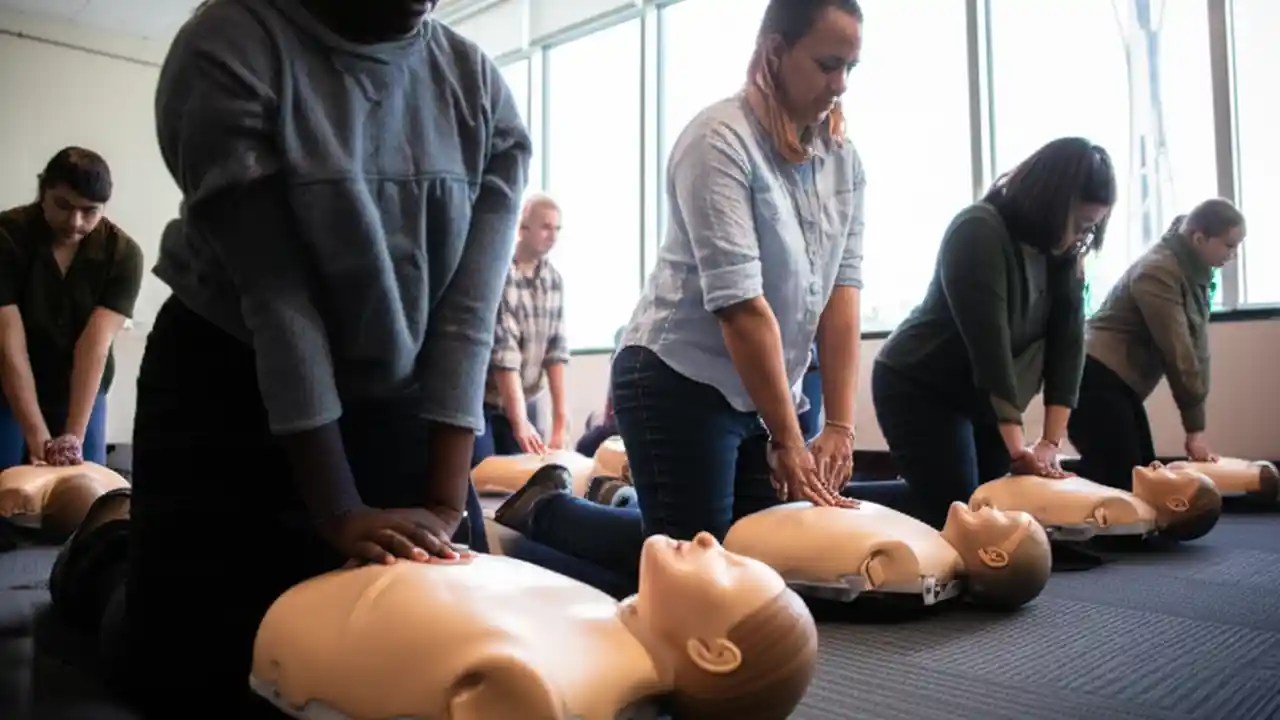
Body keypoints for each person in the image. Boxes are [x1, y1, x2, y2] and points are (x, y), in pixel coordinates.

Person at [123, 0, 532, 715]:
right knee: (197, 666)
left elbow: (468, 315)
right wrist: (338, 507)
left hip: (399, 389)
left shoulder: (479, 90)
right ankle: (101, 558)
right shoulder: (231, 48)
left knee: (427, 651)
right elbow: (280, 303)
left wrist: (444, 499)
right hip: (229, 376)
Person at [493, 0, 867, 592]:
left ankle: (618, 506)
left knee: (759, 560)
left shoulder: (842, 162)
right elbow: (742, 308)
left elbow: (843, 291)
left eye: (851, 67)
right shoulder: (717, 141)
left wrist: (839, 426)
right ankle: (546, 512)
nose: (840, 85)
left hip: (763, 388)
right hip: (677, 376)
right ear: (775, 53)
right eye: (827, 65)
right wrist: (790, 442)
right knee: (699, 572)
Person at [850, 137, 1117, 529]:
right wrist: (1017, 449)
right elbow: (989, 350)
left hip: (981, 399)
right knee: (957, 511)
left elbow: (1068, 348)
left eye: (1091, 227)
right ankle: (830, 505)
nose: (1082, 236)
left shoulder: (1061, 253)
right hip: (921, 385)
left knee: (989, 507)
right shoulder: (978, 230)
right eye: (1079, 224)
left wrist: (1048, 446)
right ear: (1052, 203)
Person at [1069, 199, 1246, 489]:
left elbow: (1197, 346)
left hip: (1117, 383)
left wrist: (1195, 425)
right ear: (1199, 238)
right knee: (1128, 482)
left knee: (1143, 476)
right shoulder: (1158, 272)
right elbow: (1178, 352)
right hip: (1095, 377)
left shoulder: (1192, 272)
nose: (1234, 255)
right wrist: (1194, 429)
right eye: (1229, 246)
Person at [0, 148, 142, 470]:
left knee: (82, 491)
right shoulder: (6, 238)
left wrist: (70, 443)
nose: (75, 223)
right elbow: (9, 344)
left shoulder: (123, 254)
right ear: (43, 190)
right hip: (7, 381)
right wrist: (38, 439)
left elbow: (94, 345)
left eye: (89, 211)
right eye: (63, 206)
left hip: (80, 386)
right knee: (5, 480)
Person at [474, 193, 571, 462]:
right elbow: (505, 357)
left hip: (526, 399)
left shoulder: (554, 280)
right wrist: (520, 424)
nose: (552, 236)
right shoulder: (500, 275)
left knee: (529, 477)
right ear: (523, 228)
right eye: (545, 227)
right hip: (487, 401)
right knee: (485, 470)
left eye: (557, 229)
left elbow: (556, 352)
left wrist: (560, 419)